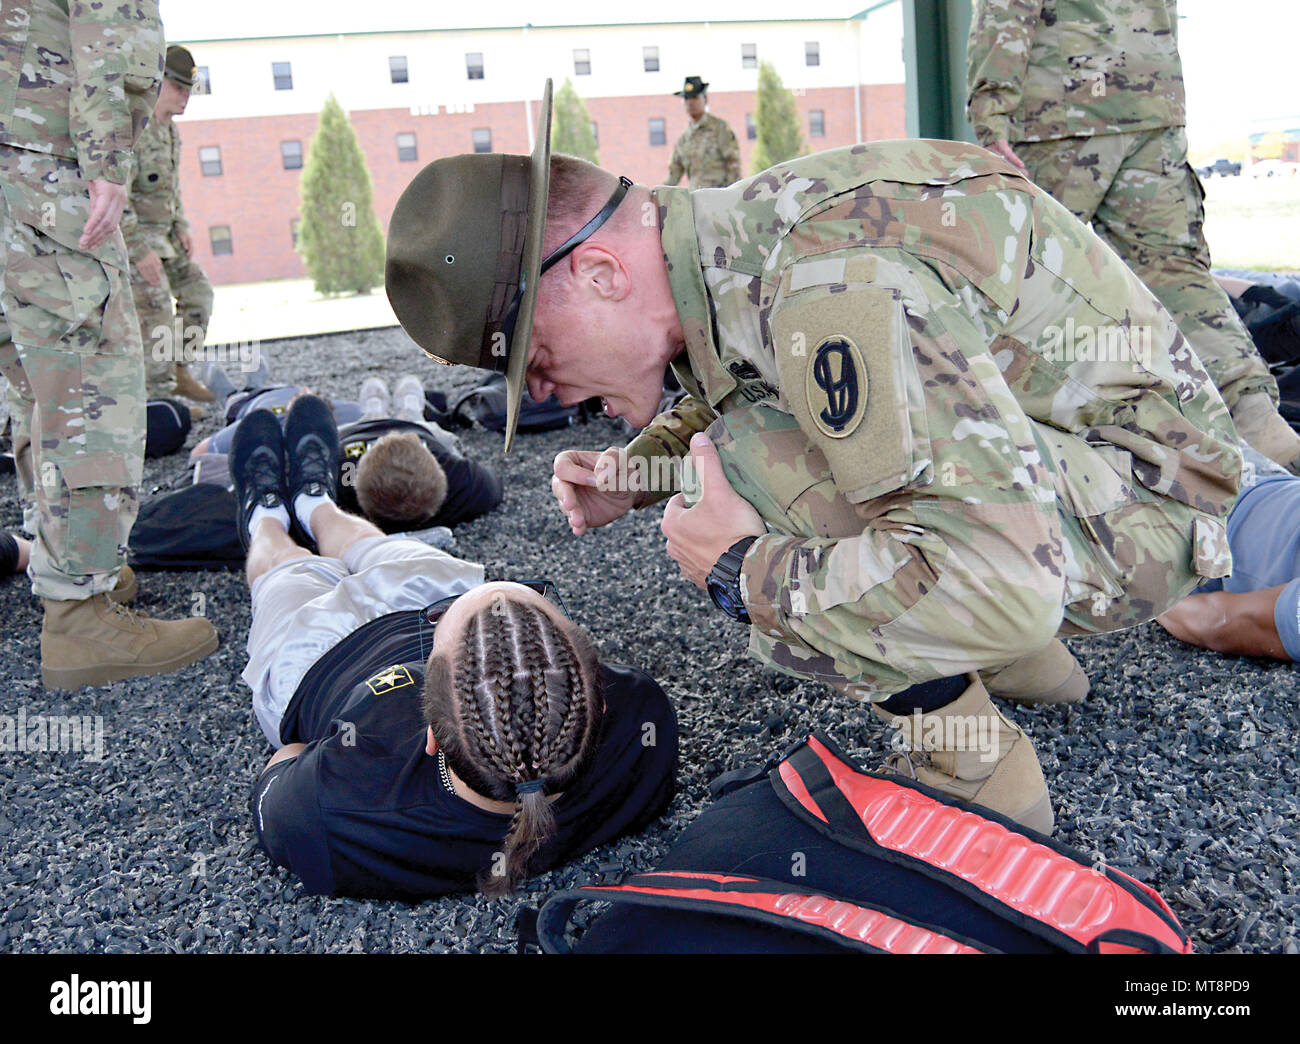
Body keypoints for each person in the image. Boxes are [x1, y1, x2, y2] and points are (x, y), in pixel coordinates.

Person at [384, 80, 1242, 835]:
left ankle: (978, 763)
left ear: (601, 275)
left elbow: (999, 579)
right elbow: (752, 385)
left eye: (537, 362)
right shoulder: (748, 241)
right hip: (1098, 466)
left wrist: (738, 571)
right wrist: (637, 473)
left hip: (1146, 506)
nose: (551, 395)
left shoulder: (826, 281)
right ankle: (1025, 669)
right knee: (748, 456)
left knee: (747, 483)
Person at [234, 394, 677, 898]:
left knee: (281, 567)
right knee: (374, 546)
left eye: (444, 622)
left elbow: (288, 755)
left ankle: (266, 516)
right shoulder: (643, 720)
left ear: (432, 739)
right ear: (598, 698)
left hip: (317, 661)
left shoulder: (322, 815)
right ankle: (317, 505)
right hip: (419, 600)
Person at [966, 0, 1300, 471]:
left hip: (1061, 105)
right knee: (1176, 275)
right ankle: (1257, 420)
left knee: (1014, 272)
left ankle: (985, 438)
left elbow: (1007, 9)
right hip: (1150, 104)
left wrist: (990, 110)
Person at [0, 0, 218, 690]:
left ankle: (65, 564)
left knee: (33, 377)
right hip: (42, 156)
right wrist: (106, 155)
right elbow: (111, 33)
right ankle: (79, 612)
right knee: (92, 381)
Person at [191, 364, 502, 532]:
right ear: (439, 471)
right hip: (409, 431)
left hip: (356, 431)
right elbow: (490, 482)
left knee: (377, 408)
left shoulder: (333, 474)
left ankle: (387, 400)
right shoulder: (465, 482)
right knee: (409, 413)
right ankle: (404, 402)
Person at [123, 44, 215, 405]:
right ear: (156, 82)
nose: (185, 97)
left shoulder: (170, 132)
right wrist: (140, 251)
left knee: (198, 292)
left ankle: (178, 372)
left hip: (165, 240)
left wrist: (182, 226)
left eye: (188, 90)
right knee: (158, 309)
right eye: (177, 88)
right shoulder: (133, 130)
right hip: (134, 243)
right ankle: (157, 402)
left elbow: (170, 190)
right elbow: (117, 199)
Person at [1157, 443, 1300, 660]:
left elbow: (1221, 621)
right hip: (1222, 492)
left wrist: (1150, 595)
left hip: (1206, 511)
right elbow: (1217, 622)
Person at [666, 76, 741, 190]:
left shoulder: (719, 128)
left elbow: (733, 164)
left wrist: (732, 196)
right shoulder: (684, 139)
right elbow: (674, 174)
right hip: (696, 201)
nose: (690, 102)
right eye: (687, 98)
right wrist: (656, 195)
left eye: (695, 97)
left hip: (720, 198)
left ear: (705, 99)